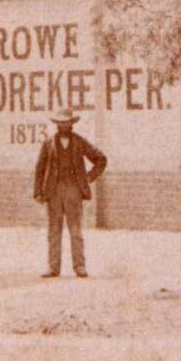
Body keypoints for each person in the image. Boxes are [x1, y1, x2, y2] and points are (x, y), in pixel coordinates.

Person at [32, 108, 106, 278]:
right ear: (57, 124)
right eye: (60, 122)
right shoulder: (48, 143)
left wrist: (87, 178)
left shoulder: (80, 142)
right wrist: (38, 191)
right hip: (53, 191)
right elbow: (40, 168)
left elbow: (101, 159)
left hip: (74, 190)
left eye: (67, 122)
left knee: (75, 230)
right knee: (54, 230)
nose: (64, 125)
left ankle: (79, 266)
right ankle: (53, 267)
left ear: (72, 123)